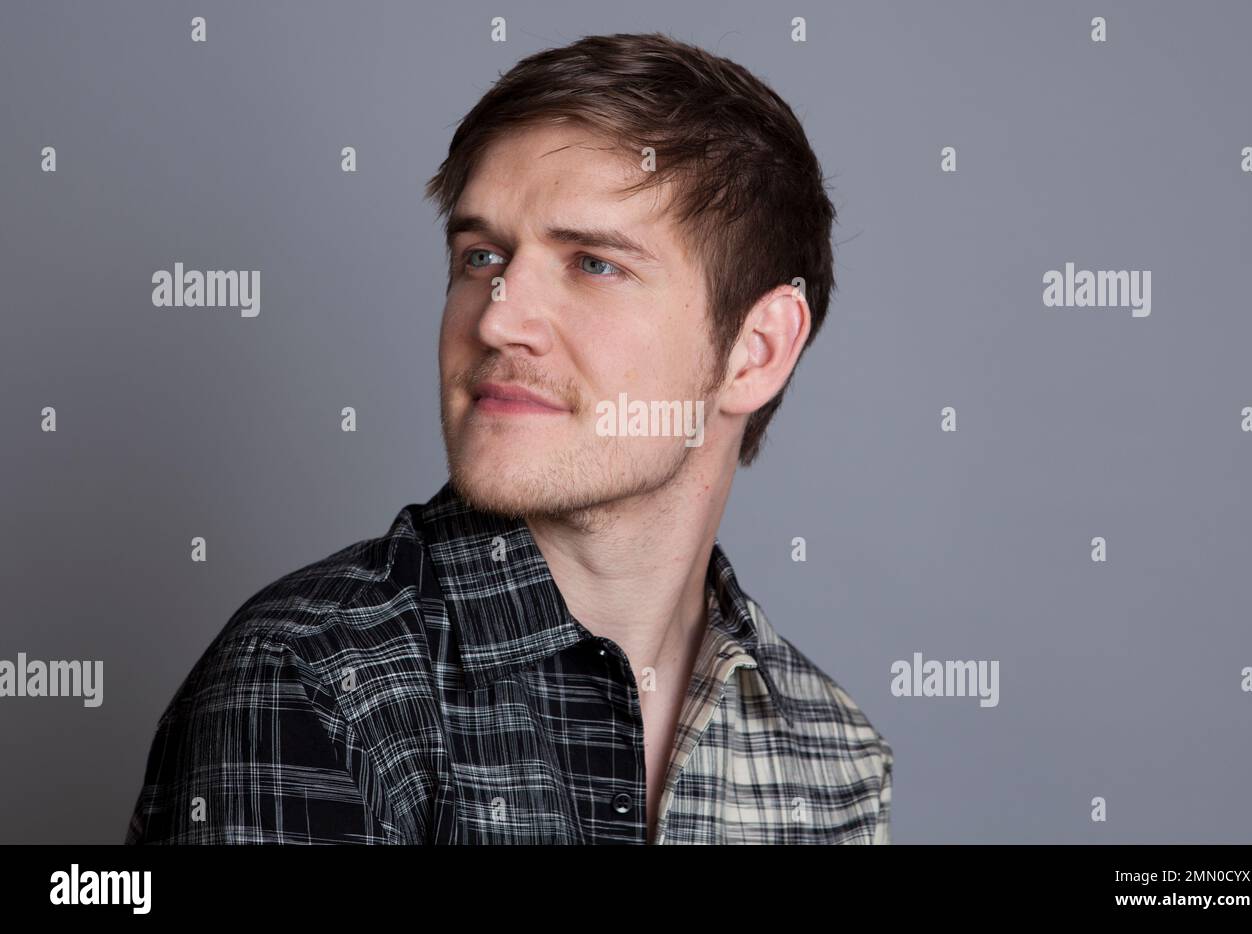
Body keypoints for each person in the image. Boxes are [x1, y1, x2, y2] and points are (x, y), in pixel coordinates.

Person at [126, 31, 892, 844]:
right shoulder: (315, 684)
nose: (497, 316)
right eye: (481, 256)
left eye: (594, 264)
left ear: (757, 350)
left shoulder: (832, 755)